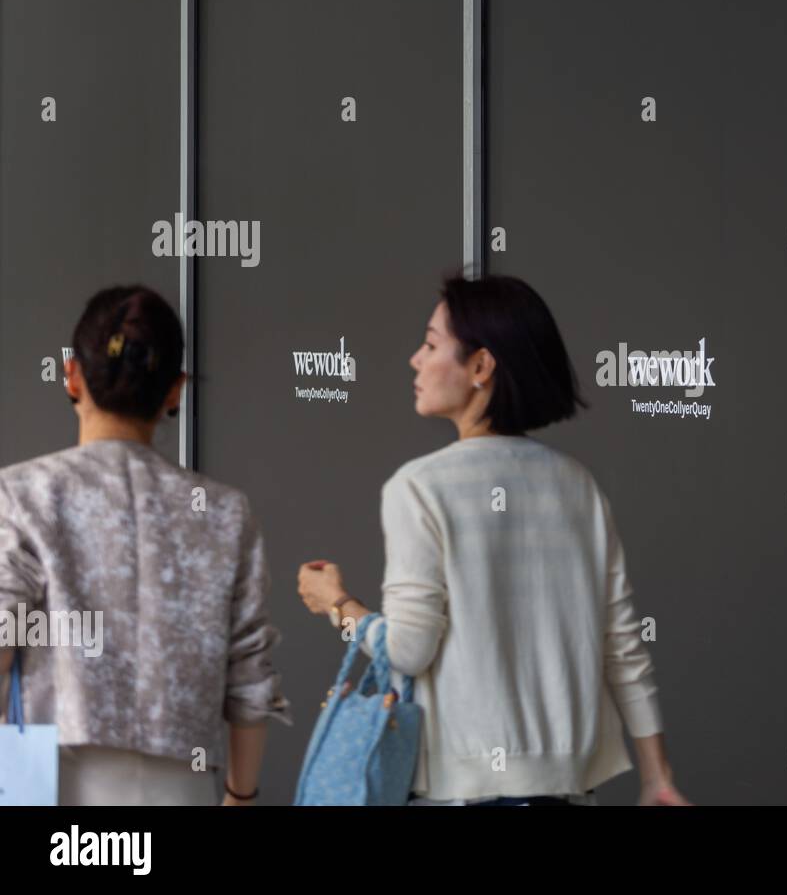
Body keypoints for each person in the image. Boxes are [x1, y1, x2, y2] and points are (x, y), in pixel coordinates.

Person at [297, 273, 690, 806]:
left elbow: (409, 650)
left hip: (463, 794)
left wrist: (338, 605)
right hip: (567, 792)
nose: (415, 359)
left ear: (481, 367)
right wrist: (656, 777)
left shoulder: (419, 487)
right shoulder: (578, 486)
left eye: (432, 345)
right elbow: (622, 647)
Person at [0, 285, 290, 805]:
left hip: (49, 781)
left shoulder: (23, 494)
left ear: (72, 375)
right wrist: (240, 796)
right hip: (182, 782)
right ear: (175, 389)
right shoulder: (225, 512)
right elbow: (249, 675)